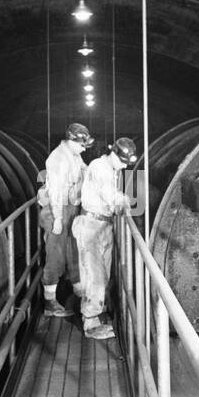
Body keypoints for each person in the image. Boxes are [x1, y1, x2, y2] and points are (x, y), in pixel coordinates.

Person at [72, 136, 137, 340]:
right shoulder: (100, 167)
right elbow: (111, 196)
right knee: (95, 276)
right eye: (123, 162)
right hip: (91, 226)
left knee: (102, 274)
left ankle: (95, 313)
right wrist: (123, 200)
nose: (124, 167)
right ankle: (90, 323)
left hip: (103, 225)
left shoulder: (112, 169)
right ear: (114, 153)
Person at [39, 122, 92, 317]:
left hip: (70, 208)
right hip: (57, 210)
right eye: (82, 144)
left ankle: (79, 293)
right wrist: (58, 219)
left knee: (73, 250)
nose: (84, 149)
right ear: (71, 140)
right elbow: (55, 192)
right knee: (56, 255)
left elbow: (85, 170)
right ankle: (50, 303)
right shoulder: (58, 159)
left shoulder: (74, 155)